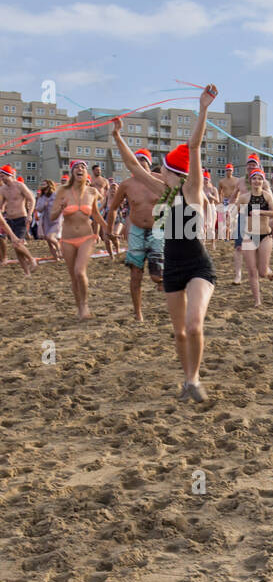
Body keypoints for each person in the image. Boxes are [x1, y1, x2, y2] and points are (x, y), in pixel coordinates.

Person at [111, 84, 220, 400]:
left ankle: (195, 379)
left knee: (195, 325)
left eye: (162, 167)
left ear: (172, 171)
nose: (156, 170)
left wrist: (203, 108)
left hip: (198, 265)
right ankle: (188, 381)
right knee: (179, 332)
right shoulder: (164, 192)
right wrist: (118, 136)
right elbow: (132, 167)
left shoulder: (192, 190)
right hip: (173, 266)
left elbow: (195, 145)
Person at [106, 148, 165, 319]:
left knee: (156, 277)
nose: (139, 164)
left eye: (142, 160)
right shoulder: (126, 185)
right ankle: (138, 313)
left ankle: (162, 280)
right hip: (137, 231)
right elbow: (113, 208)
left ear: (149, 163)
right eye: (135, 161)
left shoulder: (161, 180)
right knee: (135, 274)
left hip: (158, 230)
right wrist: (109, 231)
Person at [48, 160, 108, 318]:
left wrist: (107, 228)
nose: (80, 169)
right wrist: (60, 209)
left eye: (83, 167)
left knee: (80, 272)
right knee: (73, 277)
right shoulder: (62, 191)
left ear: (86, 173)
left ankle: (85, 304)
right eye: (77, 167)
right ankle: (79, 307)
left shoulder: (92, 192)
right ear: (72, 171)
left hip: (86, 237)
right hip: (67, 239)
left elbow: (95, 214)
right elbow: (52, 216)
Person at [236, 167, 273, 307]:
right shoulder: (243, 198)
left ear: (263, 181)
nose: (257, 181)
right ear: (250, 181)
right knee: (252, 271)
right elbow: (235, 212)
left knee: (262, 272)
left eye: (260, 178)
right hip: (249, 236)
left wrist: (260, 212)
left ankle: (267, 270)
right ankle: (257, 301)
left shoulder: (267, 195)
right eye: (254, 178)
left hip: (265, 235)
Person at [1, 163, 39, 273]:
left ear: (9, 175)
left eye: (3, 176)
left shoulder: (19, 186)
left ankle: (31, 259)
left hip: (21, 218)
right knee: (16, 248)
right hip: (9, 220)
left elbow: (32, 199)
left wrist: (30, 214)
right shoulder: (2, 189)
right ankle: (27, 272)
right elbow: (1, 205)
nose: (1, 178)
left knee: (17, 243)